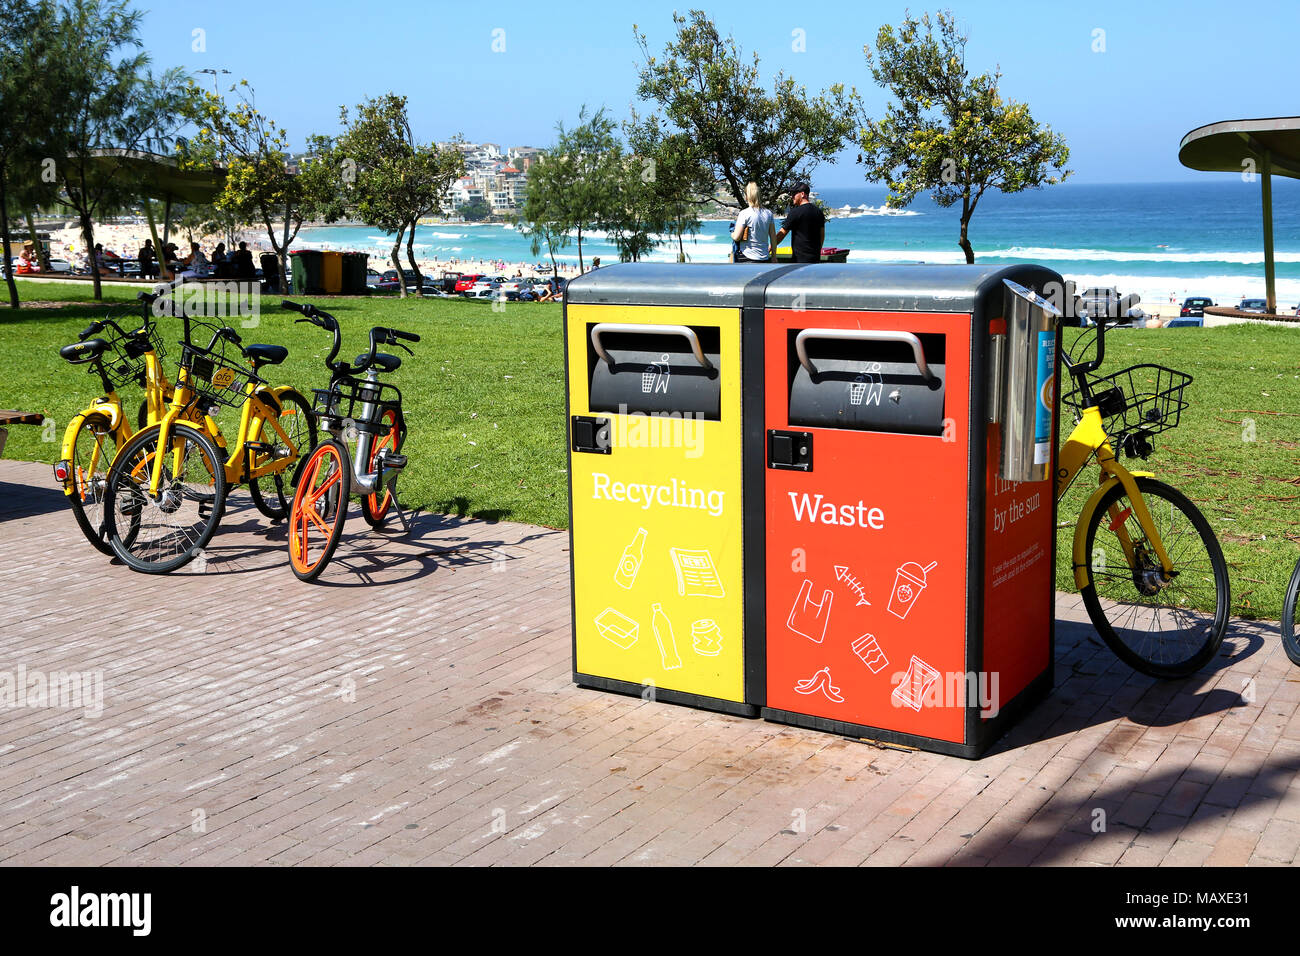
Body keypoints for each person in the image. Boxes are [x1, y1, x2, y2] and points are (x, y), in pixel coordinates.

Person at [773, 181, 825, 264]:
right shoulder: (818, 212)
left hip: (799, 261)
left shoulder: (795, 212)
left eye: (794, 193)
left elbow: (782, 233)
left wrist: (770, 247)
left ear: (802, 194)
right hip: (815, 260)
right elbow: (822, 235)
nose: (791, 196)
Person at [731, 182, 778, 263]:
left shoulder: (744, 213)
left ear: (747, 196)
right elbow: (773, 238)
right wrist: (774, 256)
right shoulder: (768, 213)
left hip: (746, 256)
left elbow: (737, 237)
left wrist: (732, 233)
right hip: (764, 257)